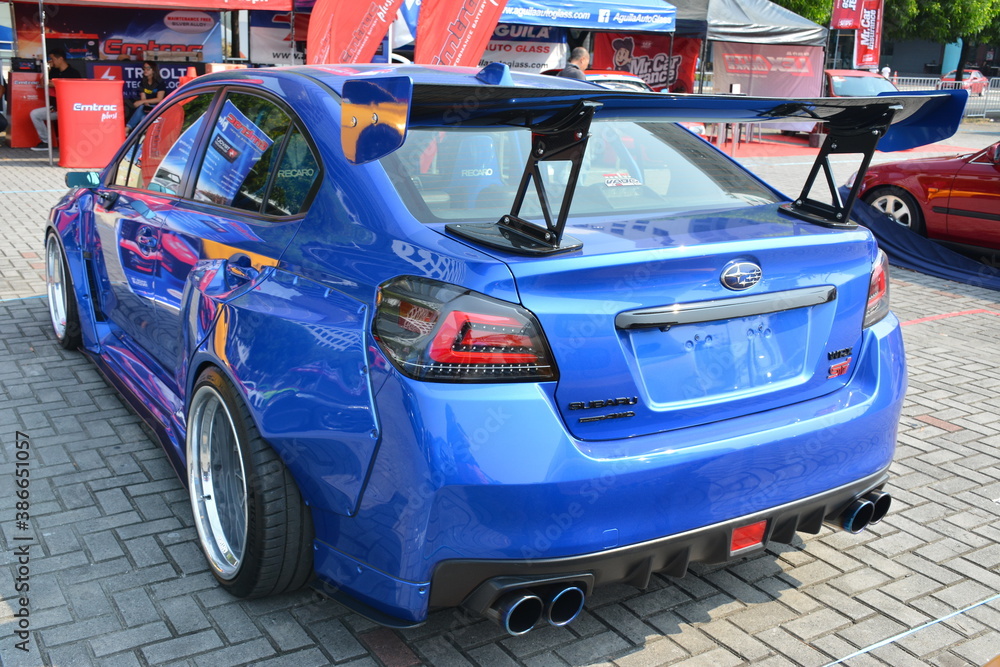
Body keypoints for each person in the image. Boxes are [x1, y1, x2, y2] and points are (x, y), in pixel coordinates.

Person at [30, 49, 82, 151]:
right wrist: (47, 70)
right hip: (56, 108)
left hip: (70, 108)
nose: (51, 61)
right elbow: (42, 84)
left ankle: (74, 142)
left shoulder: (73, 73)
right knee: (35, 114)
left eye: (52, 59)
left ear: (60, 59)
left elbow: (74, 88)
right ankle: (46, 142)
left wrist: (57, 83)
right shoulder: (54, 71)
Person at [127, 61, 167, 131]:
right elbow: (143, 98)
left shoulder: (160, 82)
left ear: (153, 70)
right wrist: (145, 104)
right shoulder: (143, 83)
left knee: (141, 107)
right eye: (144, 68)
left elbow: (159, 99)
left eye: (148, 69)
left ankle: (127, 128)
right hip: (148, 108)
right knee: (143, 117)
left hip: (158, 107)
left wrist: (142, 102)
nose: (145, 70)